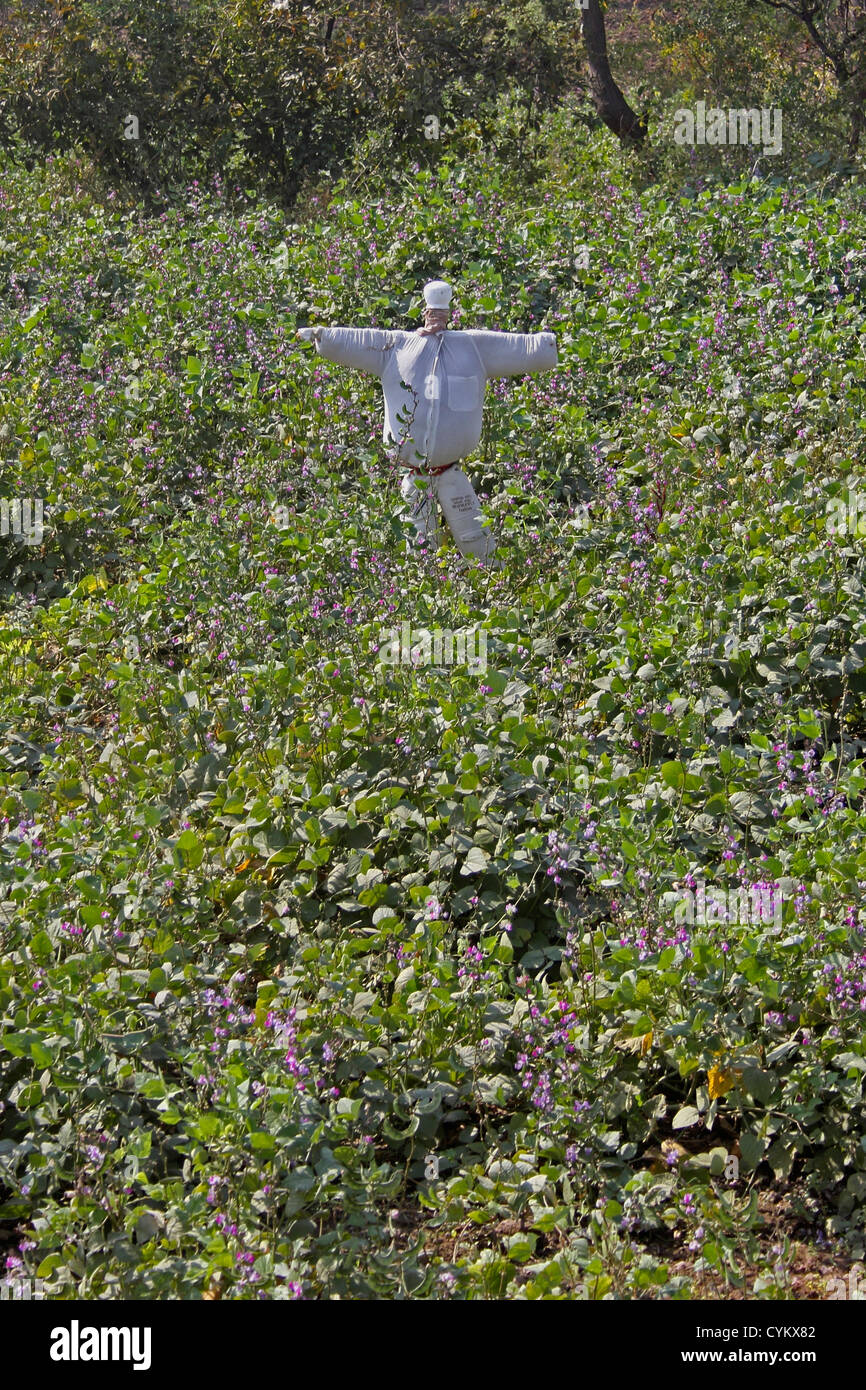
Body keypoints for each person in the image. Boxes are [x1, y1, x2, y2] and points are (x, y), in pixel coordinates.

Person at [298, 280, 557, 560]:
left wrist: (546, 346)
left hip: (450, 473)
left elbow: (526, 350)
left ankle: (487, 575)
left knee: (473, 541)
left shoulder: (460, 347)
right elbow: (353, 342)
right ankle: (458, 579)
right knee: (420, 547)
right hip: (418, 474)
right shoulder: (400, 347)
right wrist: (321, 337)